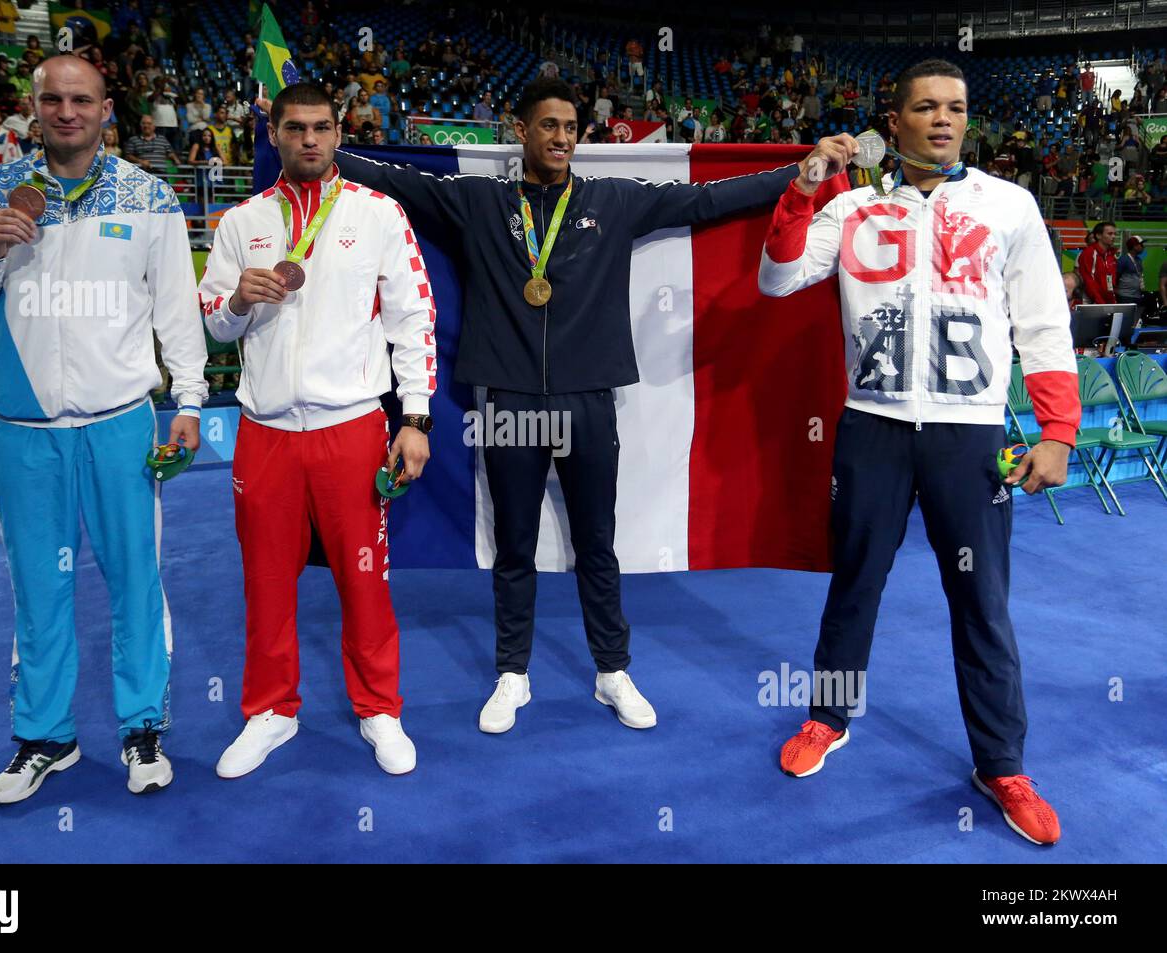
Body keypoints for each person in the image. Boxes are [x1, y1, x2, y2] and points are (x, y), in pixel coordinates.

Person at [311, 77, 825, 735]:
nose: (560, 137)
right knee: (516, 546)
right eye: (547, 125)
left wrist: (797, 177)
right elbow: (400, 179)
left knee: (597, 544)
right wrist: (326, 150)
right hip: (511, 403)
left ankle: (612, 669)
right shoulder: (477, 201)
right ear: (520, 131)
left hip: (589, 400)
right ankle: (512, 673)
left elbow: (705, 201)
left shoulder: (612, 200)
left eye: (569, 127)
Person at [759, 59, 1079, 847]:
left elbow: (1042, 323)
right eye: (927, 107)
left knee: (983, 603)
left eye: (957, 108)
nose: (944, 119)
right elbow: (776, 278)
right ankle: (829, 715)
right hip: (872, 429)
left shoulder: (1010, 206)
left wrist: (1058, 432)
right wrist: (805, 187)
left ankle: (1000, 762)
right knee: (854, 583)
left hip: (969, 437)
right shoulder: (853, 206)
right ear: (892, 120)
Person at [0, 54, 208, 804]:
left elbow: (177, 311)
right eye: (52, 98)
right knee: (38, 589)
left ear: (106, 107)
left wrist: (188, 400)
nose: (66, 111)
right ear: (34, 105)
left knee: (136, 581)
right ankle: (45, 736)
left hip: (121, 425)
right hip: (23, 430)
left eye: (80, 99)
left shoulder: (149, 196)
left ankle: (143, 726)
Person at [200, 84, 436, 778]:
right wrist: (238, 299)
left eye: (322, 128)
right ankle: (270, 710)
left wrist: (414, 418)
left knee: (366, 582)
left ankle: (380, 707)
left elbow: (412, 321)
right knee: (265, 581)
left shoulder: (379, 213)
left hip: (352, 426)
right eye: (296, 128)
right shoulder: (242, 222)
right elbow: (213, 320)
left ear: (339, 134)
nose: (310, 139)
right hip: (265, 429)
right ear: (272, 133)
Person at [1078, 220, 1118, 304]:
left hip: (1107, 300)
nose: (1113, 236)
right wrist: (1101, 303)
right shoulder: (1089, 253)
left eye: (1115, 234)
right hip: (1093, 301)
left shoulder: (1111, 255)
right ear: (1098, 235)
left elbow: (1111, 281)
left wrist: (1112, 301)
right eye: (1110, 234)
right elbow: (1089, 281)